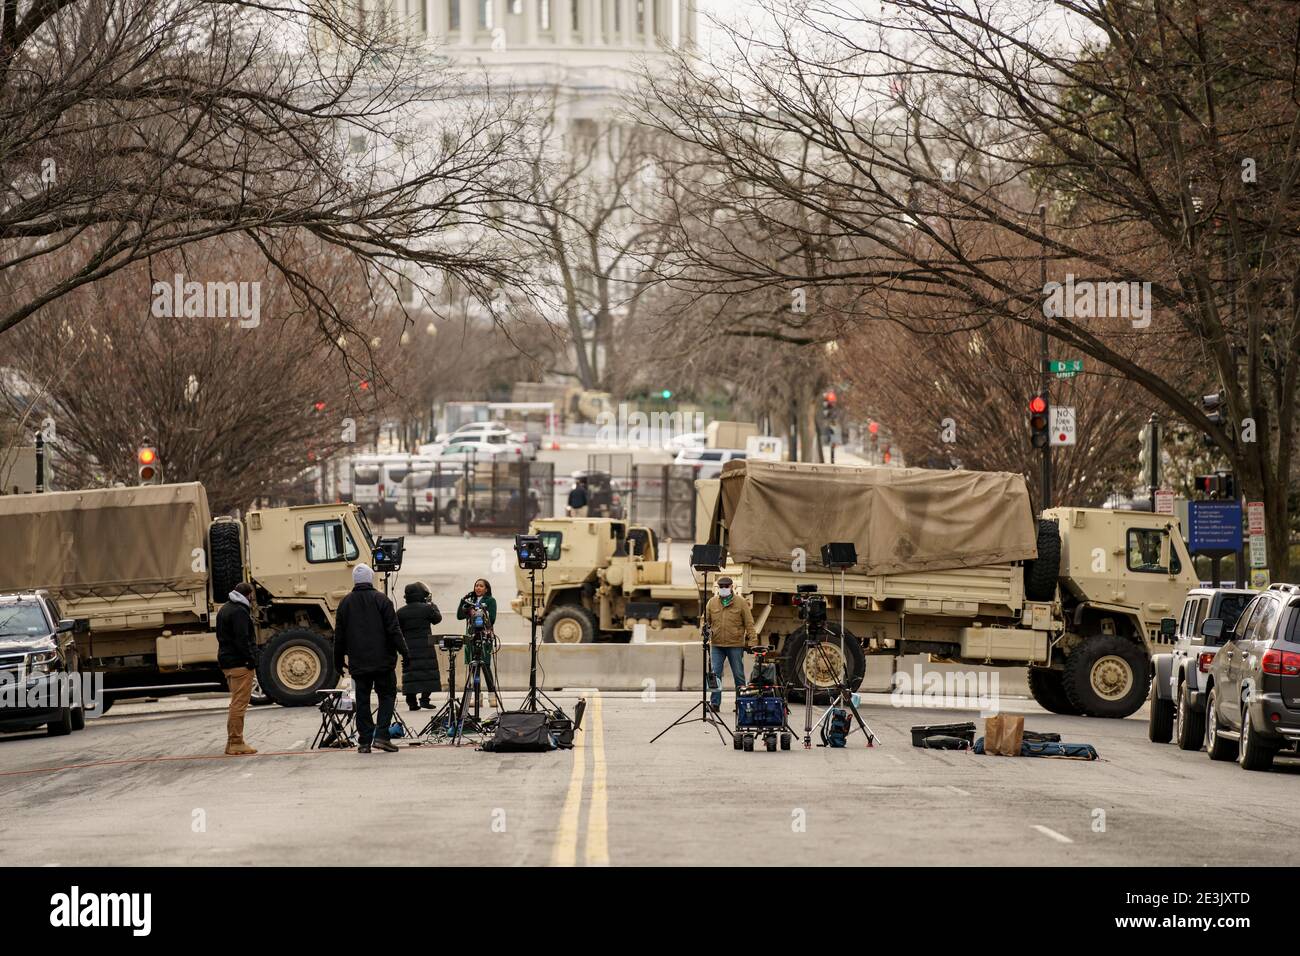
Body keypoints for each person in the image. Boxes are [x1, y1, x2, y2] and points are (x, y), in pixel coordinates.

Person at [334, 564, 410, 753]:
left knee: (362, 700)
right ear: (371, 579)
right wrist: (405, 653)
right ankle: (382, 736)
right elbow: (394, 630)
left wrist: (337, 660)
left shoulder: (345, 603)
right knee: (386, 696)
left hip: (358, 662)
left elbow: (339, 636)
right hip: (383, 661)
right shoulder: (382, 600)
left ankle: (364, 741)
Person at [215, 581, 259, 756]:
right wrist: (251, 659)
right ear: (248, 595)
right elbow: (242, 639)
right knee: (239, 704)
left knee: (235, 702)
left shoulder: (225, 608)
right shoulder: (240, 612)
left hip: (227, 661)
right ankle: (236, 742)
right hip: (238, 662)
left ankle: (231, 743)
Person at [703, 576, 756, 713]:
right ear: (718, 588)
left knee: (738, 675)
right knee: (715, 674)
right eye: (721, 587)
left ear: (732, 587)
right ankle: (715, 703)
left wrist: (752, 641)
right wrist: (704, 635)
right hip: (717, 644)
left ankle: (741, 704)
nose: (724, 589)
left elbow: (749, 623)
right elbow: (705, 622)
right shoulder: (712, 603)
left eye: (726, 586)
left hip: (735, 644)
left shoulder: (741, 602)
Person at [456, 578, 501, 707]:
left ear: (486, 589)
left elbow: (492, 619)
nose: (478, 588)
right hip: (471, 637)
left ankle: (492, 697)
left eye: (481, 586)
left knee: (485, 666)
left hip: (484, 638)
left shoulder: (490, 601)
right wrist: (463, 601)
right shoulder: (470, 601)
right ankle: (476, 697)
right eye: (476, 586)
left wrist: (479, 611)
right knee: (473, 667)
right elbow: (459, 616)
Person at [398, 582, 442, 711]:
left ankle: (412, 702)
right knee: (428, 672)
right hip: (425, 647)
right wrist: (433, 605)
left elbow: (397, 630)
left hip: (408, 648)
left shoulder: (400, 612)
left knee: (410, 674)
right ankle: (424, 699)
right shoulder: (427, 608)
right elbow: (437, 619)